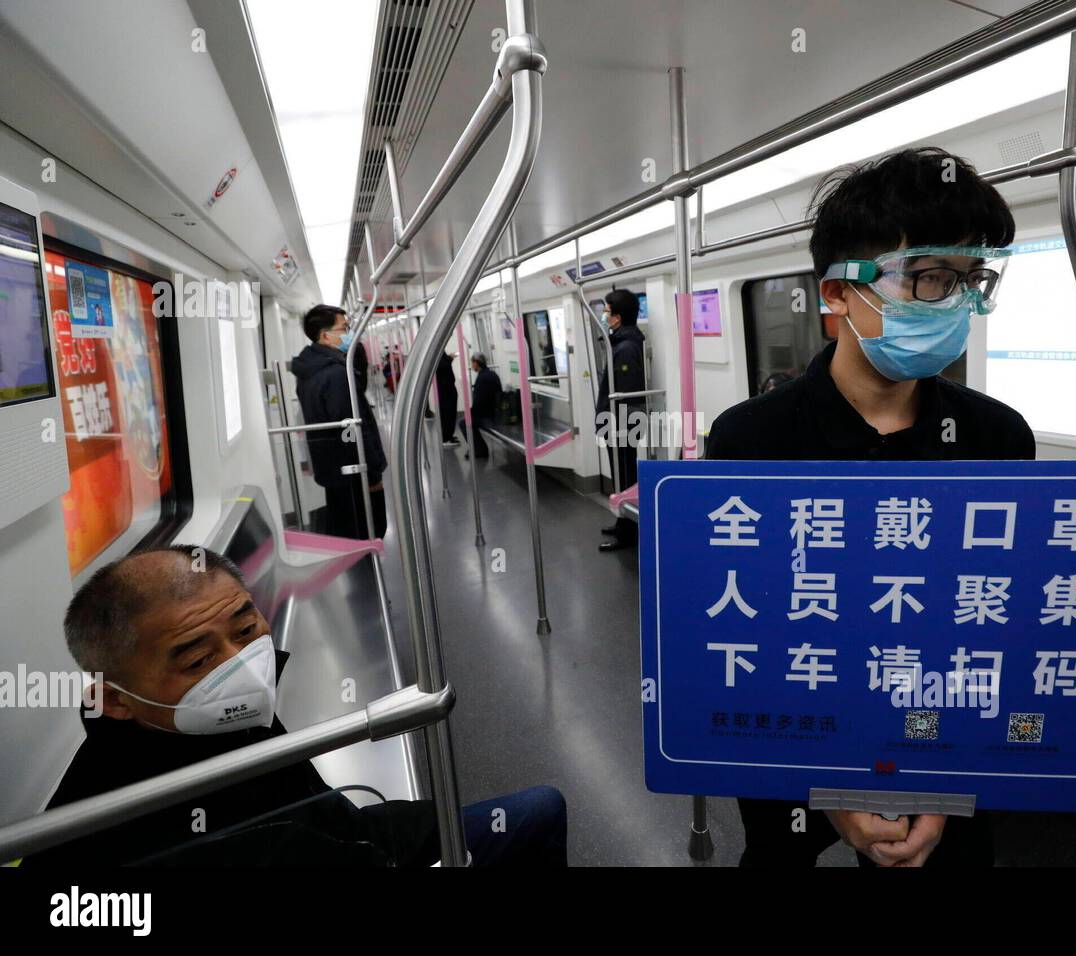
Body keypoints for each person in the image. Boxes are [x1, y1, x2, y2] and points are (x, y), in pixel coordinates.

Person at [706, 146, 1034, 867]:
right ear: (836, 293)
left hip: (939, 723)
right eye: (929, 279)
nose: (956, 303)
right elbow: (736, 623)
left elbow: (995, 614)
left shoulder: (995, 435)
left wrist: (939, 785)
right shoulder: (752, 438)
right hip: (798, 715)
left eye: (970, 279)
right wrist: (829, 789)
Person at [24, 546, 568, 867]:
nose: (241, 664)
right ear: (115, 699)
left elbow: (320, 812)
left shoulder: (219, 715)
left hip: (341, 835)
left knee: (537, 810)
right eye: (195, 659)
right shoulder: (128, 828)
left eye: (245, 627)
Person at [290, 305, 388, 540]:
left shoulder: (309, 371)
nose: (349, 333)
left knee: (347, 527)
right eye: (344, 328)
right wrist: (372, 468)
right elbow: (350, 428)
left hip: (331, 466)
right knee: (369, 531)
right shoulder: (335, 374)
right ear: (325, 336)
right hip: (353, 470)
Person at [594, 288, 646, 552]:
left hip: (622, 425)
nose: (604, 315)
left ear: (617, 317)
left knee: (625, 477)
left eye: (606, 311)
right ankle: (621, 522)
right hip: (618, 423)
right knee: (620, 475)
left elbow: (624, 395)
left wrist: (613, 427)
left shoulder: (626, 348)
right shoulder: (620, 342)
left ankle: (628, 533)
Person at [459, 353, 501, 460]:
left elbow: (480, 402)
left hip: (489, 416)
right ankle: (479, 448)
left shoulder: (482, 378)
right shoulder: (491, 374)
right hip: (495, 411)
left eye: (472, 362)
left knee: (464, 423)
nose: (472, 365)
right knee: (469, 420)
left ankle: (479, 449)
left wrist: (470, 412)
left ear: (476, 363)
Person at [436, 352, 459, 445]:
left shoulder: (441, 352)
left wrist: (449, 357)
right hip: (445, 389)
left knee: (451, 414)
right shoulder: (437, 354)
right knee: (447, 413)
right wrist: (450, 359)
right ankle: (446, 438)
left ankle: (449, 435)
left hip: (448, 387)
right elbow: (441, 366)